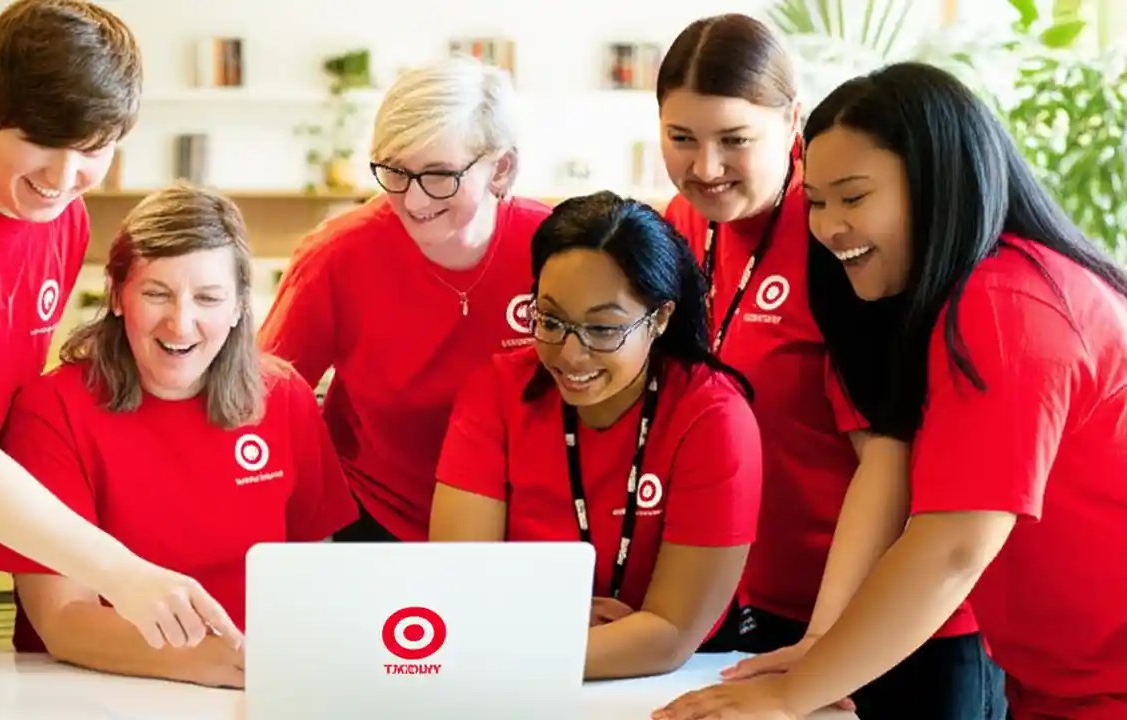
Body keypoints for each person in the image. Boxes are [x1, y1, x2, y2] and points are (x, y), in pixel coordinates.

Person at [653, 62, 1127, 720]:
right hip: (1054, 683)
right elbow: (894, 463)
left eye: (853, 198)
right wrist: (818, 653)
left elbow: (954, 546)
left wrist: (790, 695)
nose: (828, 227)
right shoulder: (964, 298)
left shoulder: (1009, 303)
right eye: (817, 202)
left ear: (936, 184)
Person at [0, 0, 239, 688]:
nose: (61, 178)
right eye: (39, 142)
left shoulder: (63, 218)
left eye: (91, 149)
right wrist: (121, 572)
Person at [653, 13, 1003, 718]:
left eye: (735, 140)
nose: (706, 168)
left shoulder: (839, 233)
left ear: (793, 121)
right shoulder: (680, 229)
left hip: (891, 620)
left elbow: (886, 448)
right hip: (753, 608)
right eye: (682, 138)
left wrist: (825, 640)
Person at [0, 183, 357, 688]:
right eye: (156, 294)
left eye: (208, 298)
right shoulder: (52, 410)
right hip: (94, 690)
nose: (181, 324)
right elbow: (62, 620)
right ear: (117, 295)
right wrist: (212, 662)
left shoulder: (283, 396)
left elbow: (313, 574)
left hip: (253, 684)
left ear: (239, 307)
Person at [429, 192, 762, 680]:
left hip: (676, 682)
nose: (571, 354)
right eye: (550, 320)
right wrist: (563, 618)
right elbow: (458, 587)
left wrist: (508, 640)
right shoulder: (497, 391)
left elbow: (670, 635)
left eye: (603, 328)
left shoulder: (713, 417)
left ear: (660, 318)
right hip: (516, 676)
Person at [257, 56, 552, 543]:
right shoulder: (338, 255)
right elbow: (262, 400)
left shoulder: (554, 248)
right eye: (395, 171)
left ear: (501, 169)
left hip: (524, 519)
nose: (413, 201)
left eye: (439, 175)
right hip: (377, 515)